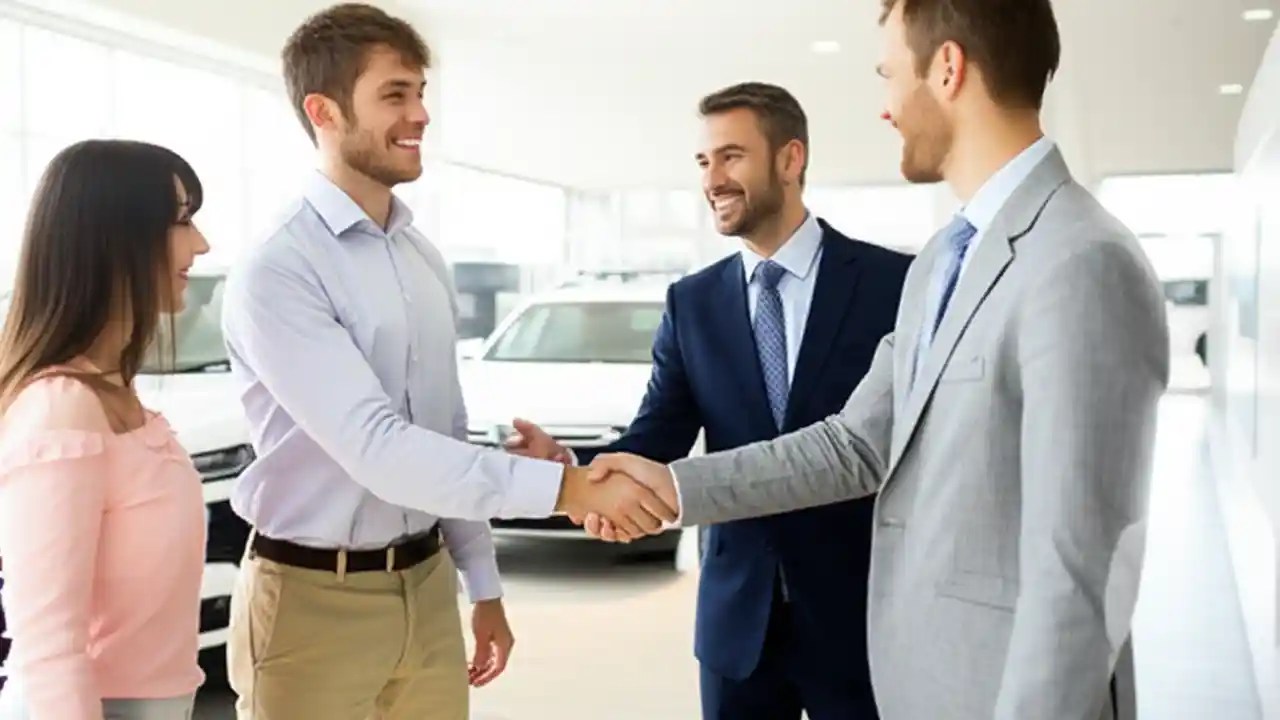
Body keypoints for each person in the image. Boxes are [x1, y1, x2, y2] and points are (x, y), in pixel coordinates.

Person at [587, 1, 1169, 718]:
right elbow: (853, 445)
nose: (886, 108)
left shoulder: (1081, 260)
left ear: (948, 69)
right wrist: (671, 485)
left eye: (890, 74)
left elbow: (1079, 572)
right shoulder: (942, 264)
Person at [218, 4, 673, 720]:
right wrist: (571, 491)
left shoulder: (421, 257)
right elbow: (378, 448)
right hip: (311, 602)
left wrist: (482, 582)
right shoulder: (280, 268)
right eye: (395, 94)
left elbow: (441, 429)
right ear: (324, 111)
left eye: (421, 92)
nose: (421, 113)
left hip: (426, 584)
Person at [510, 82, 910, 719]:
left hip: (860, 610)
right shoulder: (692, 303)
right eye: (703, 162)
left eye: (731, 157)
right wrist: (577, 472)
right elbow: (657, 436)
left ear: (790, 158)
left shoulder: (894, 284)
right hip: (737, 618)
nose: (713, 180)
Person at [0, 139, 211, 719]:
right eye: (181, 221)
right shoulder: (59, 409)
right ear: (110, 242)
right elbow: (48, 651)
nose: (201, 244)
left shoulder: (112, 393)